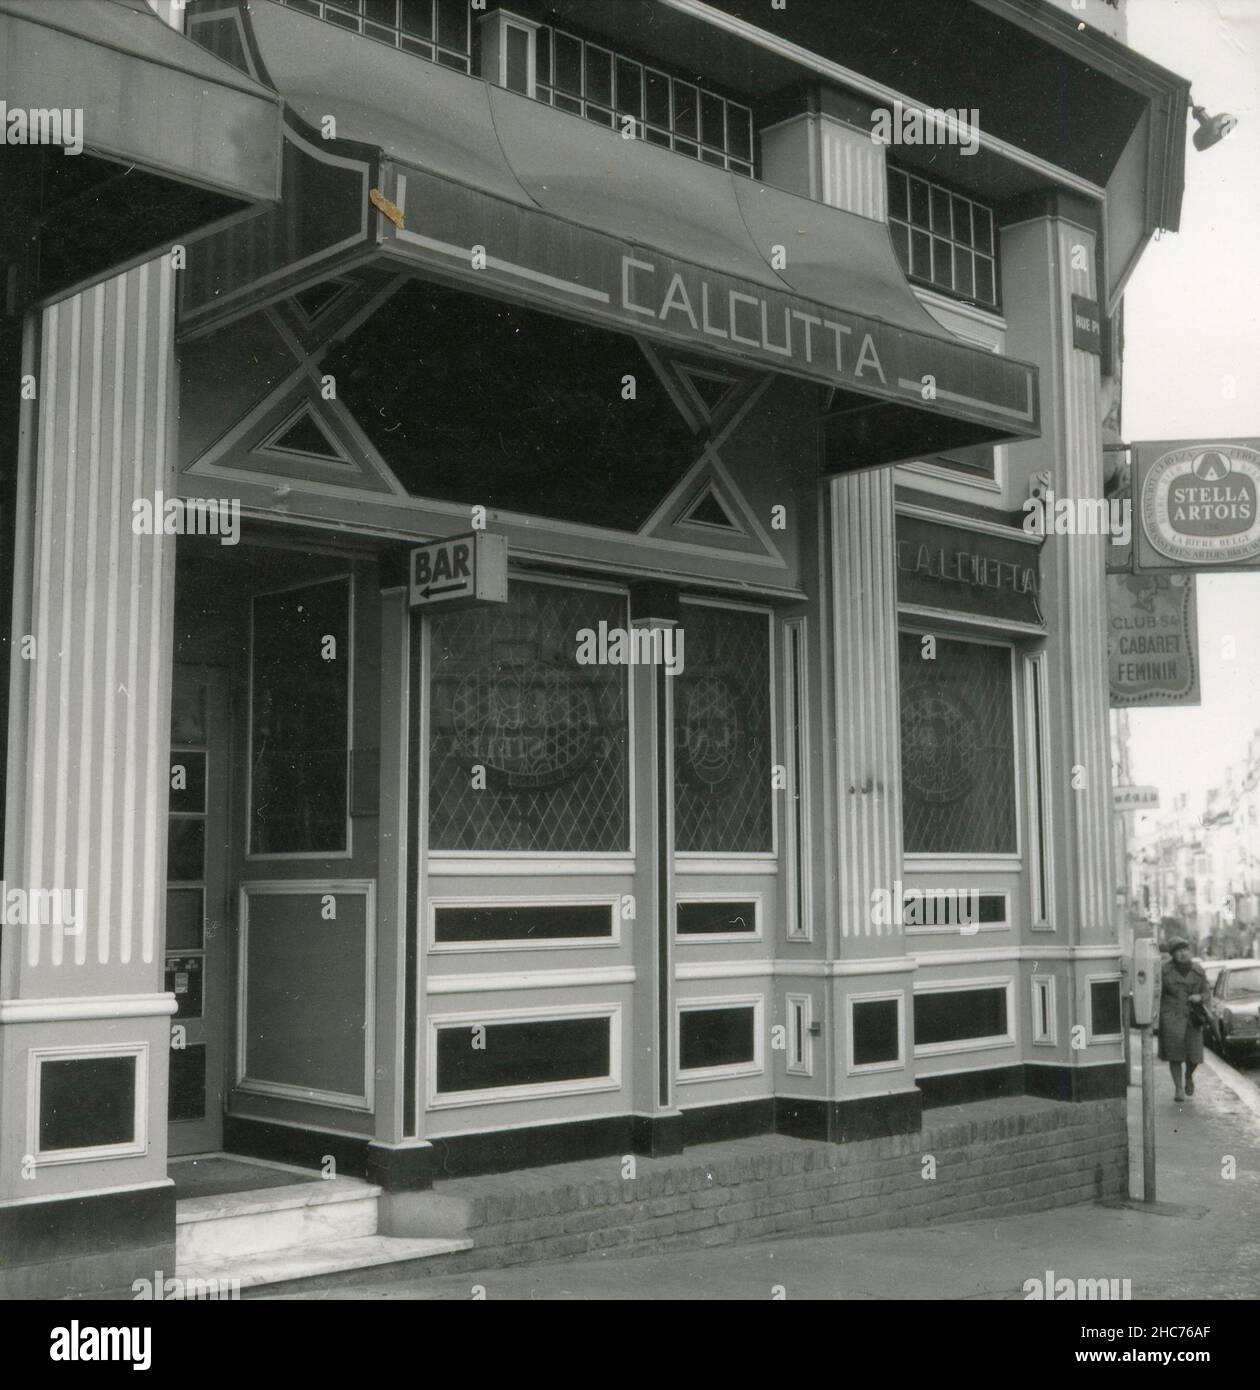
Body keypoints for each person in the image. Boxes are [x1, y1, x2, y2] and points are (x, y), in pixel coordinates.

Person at [1157, 938, 1209, 1102]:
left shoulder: (1198, 970)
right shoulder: (1164, 971)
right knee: (1175, 1055)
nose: (1183, 953)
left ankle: (1188, 1076)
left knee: (1194, 1056)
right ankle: (1178, 1089)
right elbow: (1157, 994)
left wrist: (1199, 996)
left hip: (1193, 1018)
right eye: (1178, 951)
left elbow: (1208, 993)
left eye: (1185, 949)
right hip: (1172, 1017)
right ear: (1173, 954)